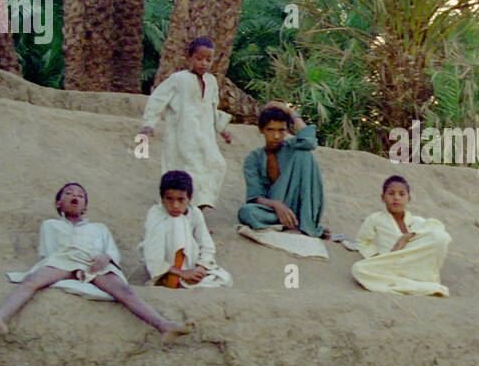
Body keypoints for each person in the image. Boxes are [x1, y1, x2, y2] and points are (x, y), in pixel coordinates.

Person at [0, 183, 193, 338]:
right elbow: (47, 253)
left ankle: (164, 325)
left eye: (79, 194)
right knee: (32, 280)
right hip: (64, 259)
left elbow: (112, 252)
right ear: (58, 203)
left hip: (93, 263)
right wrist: (65, 270)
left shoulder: (98, 228)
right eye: (68, 193)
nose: (74, 196)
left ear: (85, 206)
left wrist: (104, 258)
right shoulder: (50, 225)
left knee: (124, 292)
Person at [138, 37, 233, 209]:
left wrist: (222, 129)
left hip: (205, 138)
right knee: (189, 172)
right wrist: (148, 124)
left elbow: (212, 107)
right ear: (189, 58)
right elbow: (158, 99)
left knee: (217, 165)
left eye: (208, 59)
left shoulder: (211, 81)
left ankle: (199, 208)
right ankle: (186, 211)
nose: (204, 63)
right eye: (199, 58)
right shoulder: (179, 79)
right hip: (183, 136)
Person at [238, 101, 333, 240]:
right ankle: (285, 224)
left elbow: (310, 141)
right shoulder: (253, 158)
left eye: (281, 130)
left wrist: (291, 113)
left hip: (299, 208)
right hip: (273, 211)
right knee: (246, 212)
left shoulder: (293, 147)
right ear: (261, 130)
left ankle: (305, 223)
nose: (276, 136)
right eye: (270, 130)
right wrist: (276, 205)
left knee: (304, 154)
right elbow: (255, 197)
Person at [351, 175, 451, 296]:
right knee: (358, 269)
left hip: (412, 264)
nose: (396, 198)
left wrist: (407, 237)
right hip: (390, 264)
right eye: (391, 193)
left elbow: (437, 229)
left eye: (402, 194)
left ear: (409, 198)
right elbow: (362, 242)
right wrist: (376, 256)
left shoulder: (417, 221)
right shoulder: (375, 219)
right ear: (383, 198)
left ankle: (414, 283)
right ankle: (425, 287)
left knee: (440, 236)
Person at [141, 171, 233, 288]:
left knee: (224, 279)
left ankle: (183, 281)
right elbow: (153, 256)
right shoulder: (156, 214)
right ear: (162, 199)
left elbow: (207, 246)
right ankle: (174, 279)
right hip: (165, 267)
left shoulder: (195, 213)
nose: (175, 205)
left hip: (190, 266)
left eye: (181, 200)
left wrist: (200, 268)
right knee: (177, 221)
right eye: (169, 199)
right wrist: (182, 273)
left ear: (189, 199)